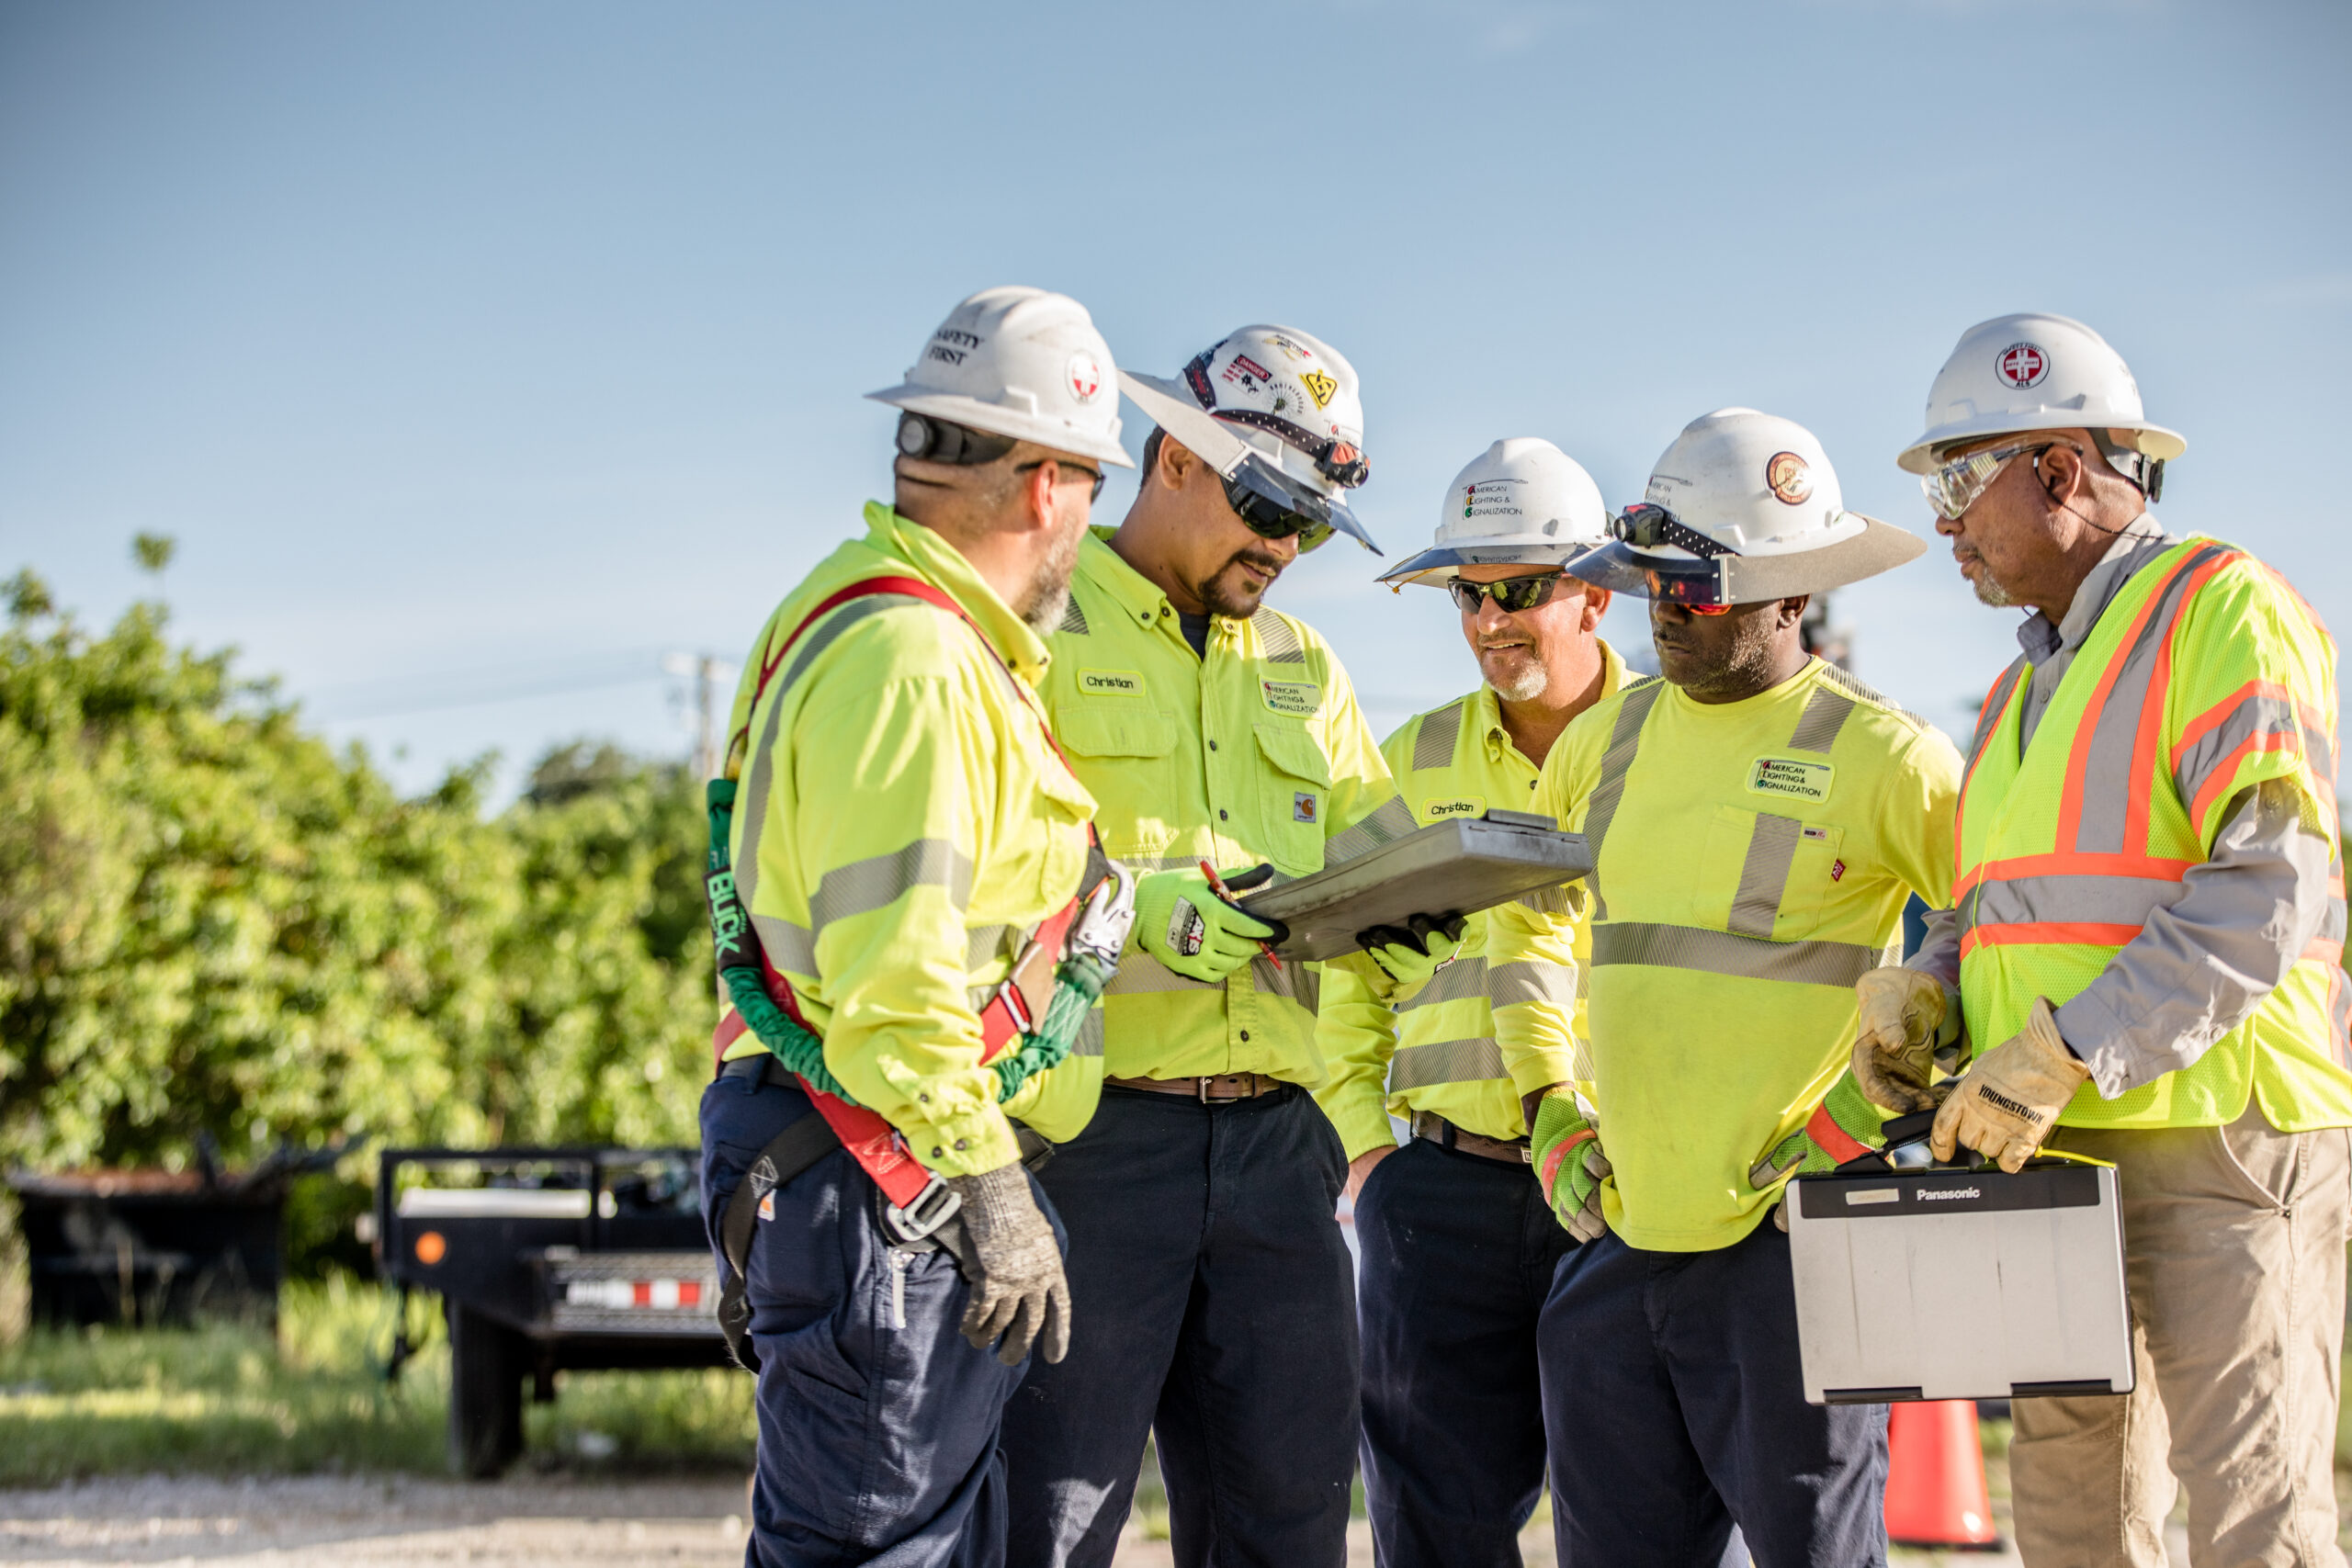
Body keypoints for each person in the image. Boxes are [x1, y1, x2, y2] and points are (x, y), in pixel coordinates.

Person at [699, 287, 1243, 1568]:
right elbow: (898, 987)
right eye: (1094, 489)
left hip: (853, 1170)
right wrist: (986, 1184)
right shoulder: (918, 661)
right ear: (1048, 481)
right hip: (889, 1177)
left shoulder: (866, 620)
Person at [1861, 312, 2351, 1567]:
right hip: (2061, 1143)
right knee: (2075, 1516)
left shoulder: (2221, 607)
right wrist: (1930, 985)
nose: (1948, 529)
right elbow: (2000, 900)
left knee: (2250, 1505)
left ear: (2062, 470)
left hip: (2228, 1136)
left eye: (1962, 486)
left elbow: (2269, 883)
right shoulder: (2028, 682)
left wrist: (2068, 1045)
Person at [1487, 408, 1962, 1567]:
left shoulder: (1888, 756)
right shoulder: (1608, 742)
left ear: (1793, 592)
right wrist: (1550, 1104)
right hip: (1616, 1238)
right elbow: (1525, 923)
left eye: (1696, 591)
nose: (1665, 613)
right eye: (1655, 583)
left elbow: (1985, 932)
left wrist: (1870, 1110)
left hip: (1788, 1249)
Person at [1000, 324, 1438, 1568]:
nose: (1281, 548)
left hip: (1282, 1163)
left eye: (1306, 522)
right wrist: (1132, 904)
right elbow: (980, 857)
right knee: (1045, 1521)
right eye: (1263, 504)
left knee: (1288, 1527)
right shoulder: (1035, 618)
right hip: (1091, 1144)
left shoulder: (1308, 666)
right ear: (1172, 457)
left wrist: (1414, 915)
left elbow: (1368, 849)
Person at [1311, 438, 1620, 1567]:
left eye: (1519, 591)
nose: (1491, 619)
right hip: (1435, 1196)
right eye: (1468, 594)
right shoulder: (1409, 757)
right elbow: (1340, 966)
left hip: (1626, 1191)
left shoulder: (1666, 748)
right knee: (1434, 1530)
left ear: (1595, 591)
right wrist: (1363, 1156)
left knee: (1638, 1521)